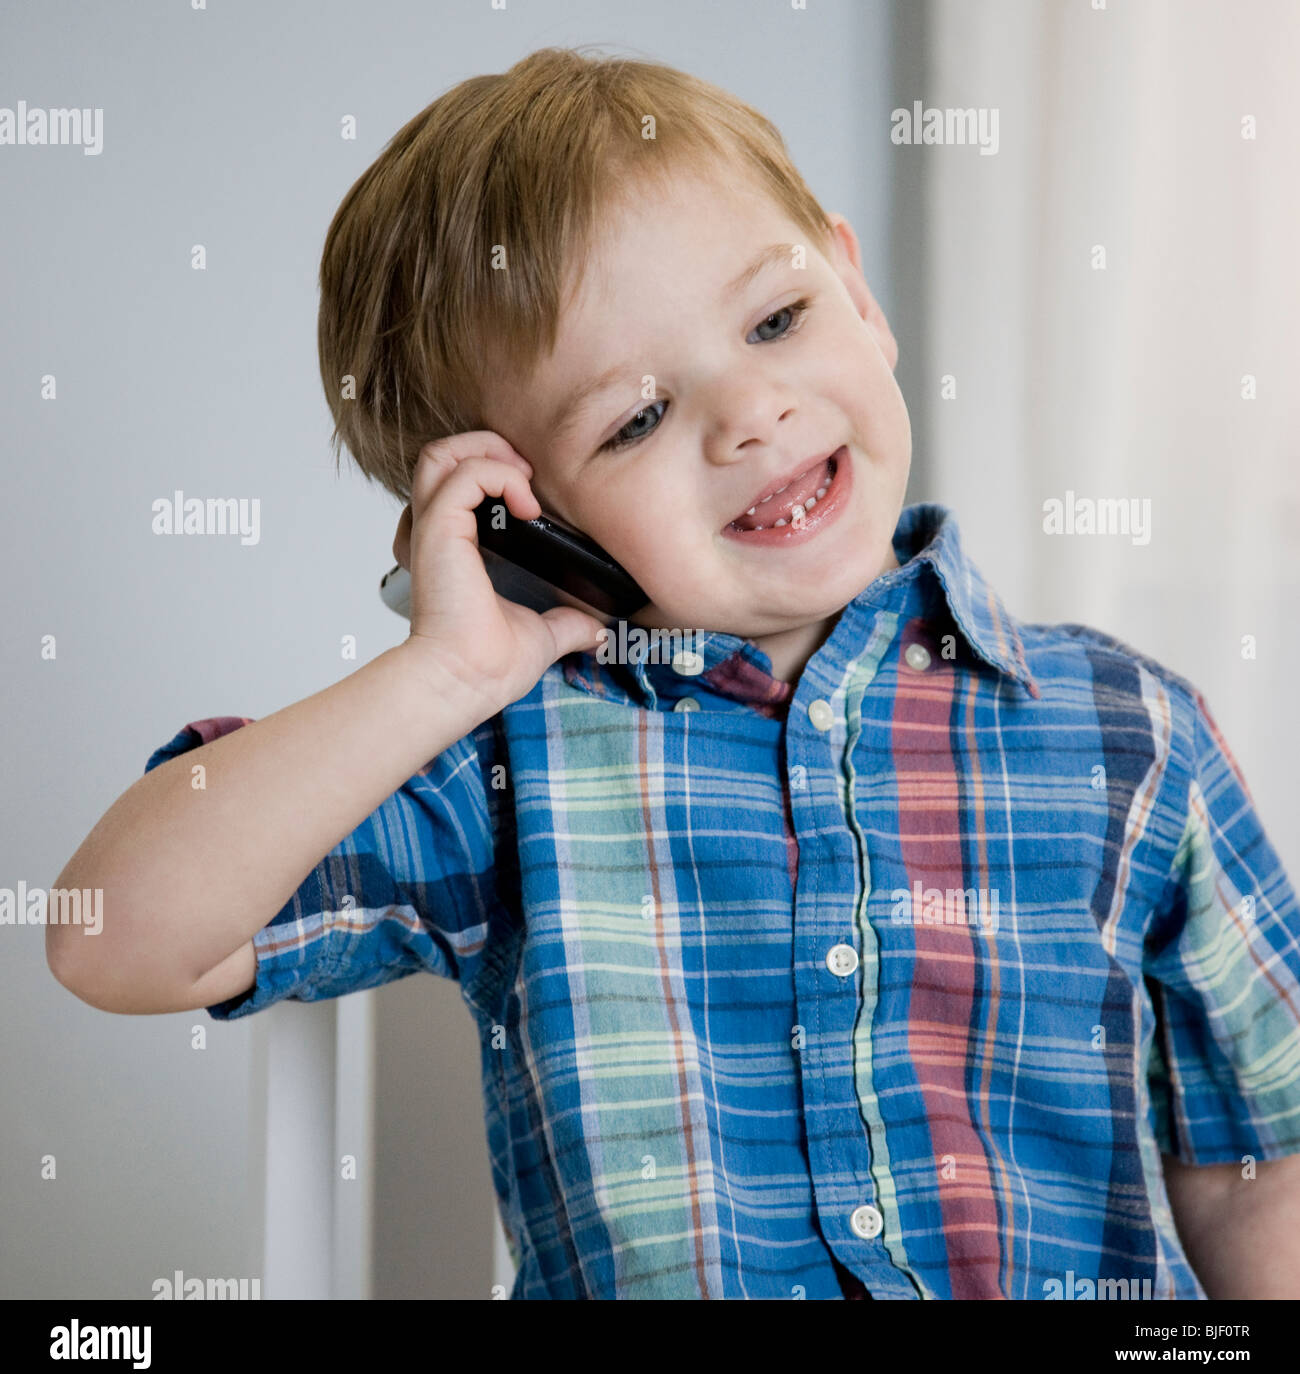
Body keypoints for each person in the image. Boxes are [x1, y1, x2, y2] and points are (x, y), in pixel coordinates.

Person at [48, 46, 1300, 1300]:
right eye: (633, 420)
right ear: (526, 525)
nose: (748, 412)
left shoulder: (1129, 733)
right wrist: (439, 674)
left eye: (776, 319)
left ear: (857, 295)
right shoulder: (501, 765)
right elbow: (113, 939)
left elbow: (1263, 1167)